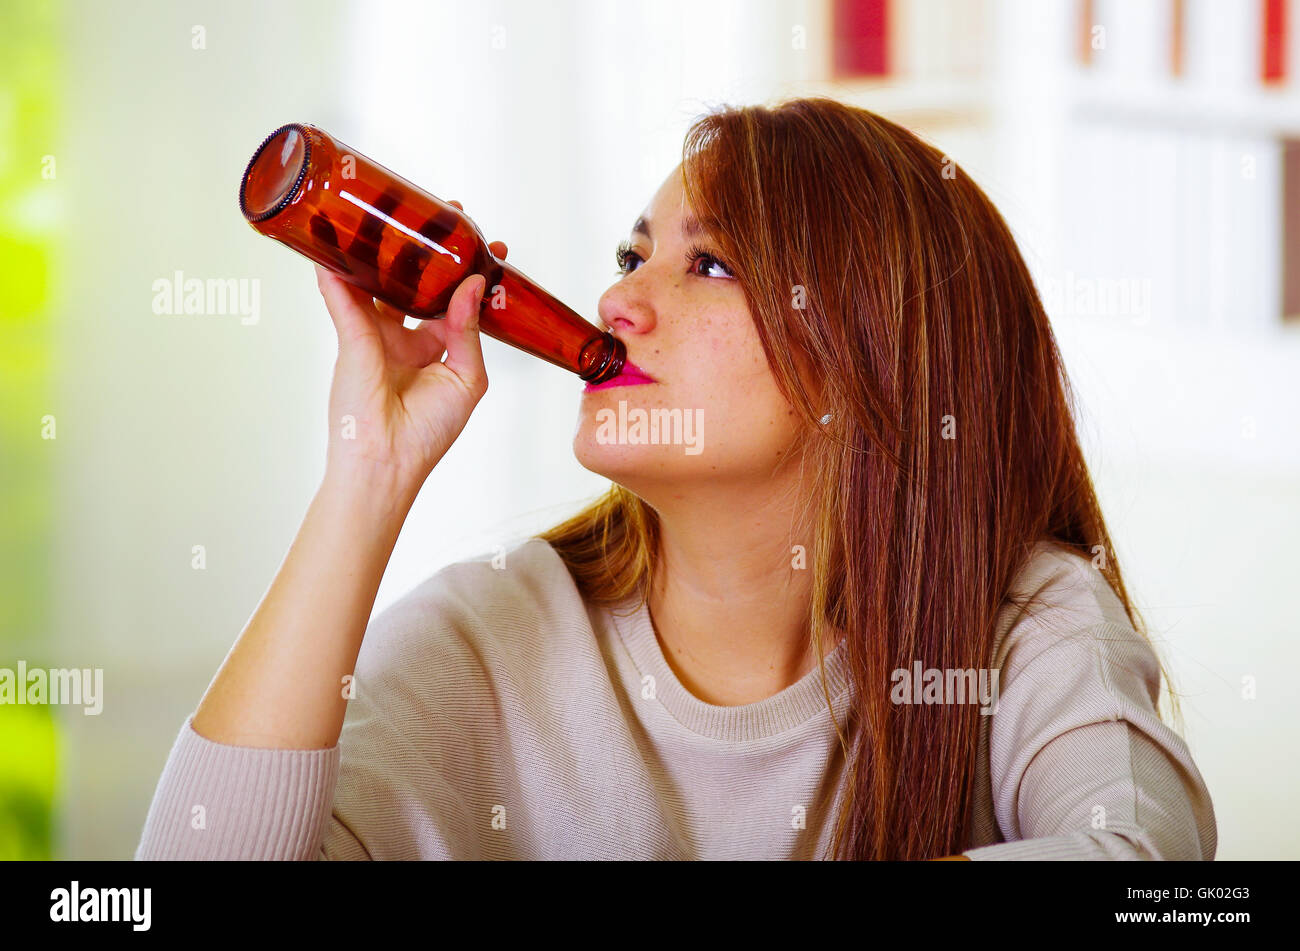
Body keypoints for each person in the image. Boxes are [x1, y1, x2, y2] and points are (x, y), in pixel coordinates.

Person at [135, 97, 1216, 860]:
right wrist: (365, 477)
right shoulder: (493, 637)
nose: (618, 303)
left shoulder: (1020, 623)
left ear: (877, 352)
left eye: (710, 263)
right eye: (631, 256)